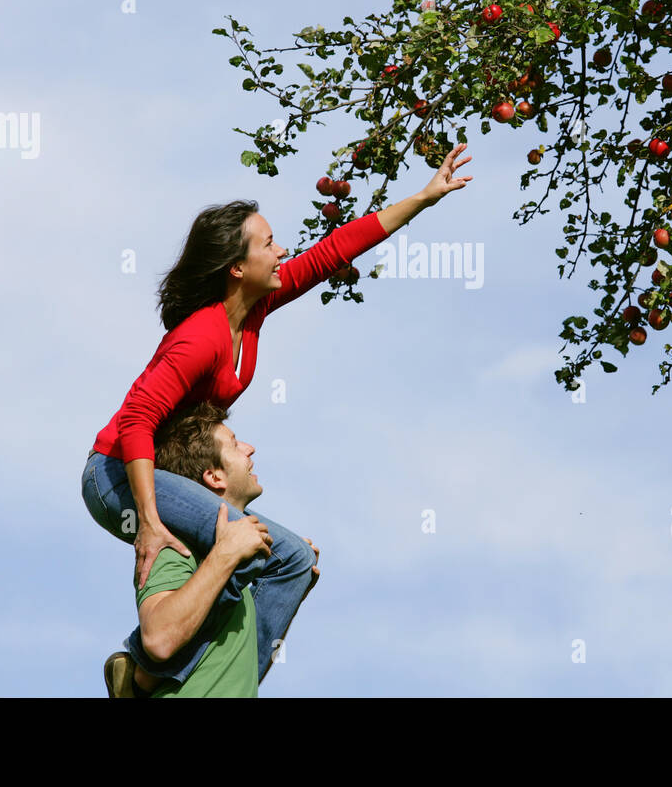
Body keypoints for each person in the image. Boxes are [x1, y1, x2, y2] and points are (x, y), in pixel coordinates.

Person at [83, 145, 472, 692]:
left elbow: (335, 249)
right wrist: (148, 521)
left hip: (153, 472)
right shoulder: (202, 335)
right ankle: (145, 672)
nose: (284, 250)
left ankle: (223, 681)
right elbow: (136, 421)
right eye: (269, 244)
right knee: (280, 552)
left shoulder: (255, 308)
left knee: (290, 562)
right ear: (238, 267)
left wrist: (424, 199)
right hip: (115, 474)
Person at [104, 402, 316, 697]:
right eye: (233, 443)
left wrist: (288, 587)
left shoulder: (236, 575)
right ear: (214, 476)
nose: (249, 448)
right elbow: (159, 639)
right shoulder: (177, 548)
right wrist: (224, 555)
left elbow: (242, 669)